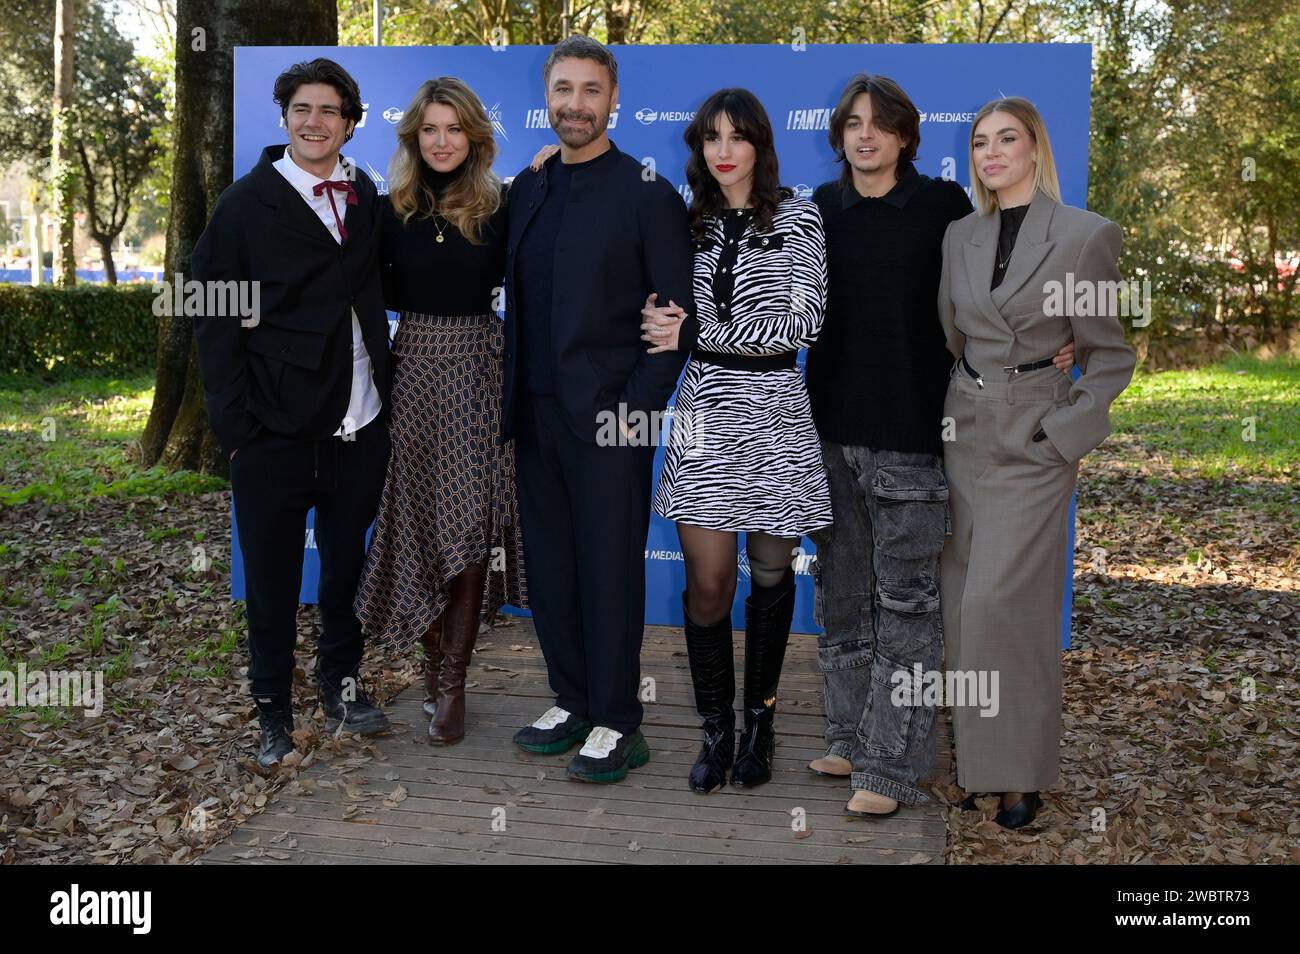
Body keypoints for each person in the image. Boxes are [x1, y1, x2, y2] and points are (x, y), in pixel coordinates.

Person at [937, 96, 1136, 828]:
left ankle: (1021, 775)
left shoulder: (1085, 237)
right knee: (963, 604)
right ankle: (980, 767)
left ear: (1033, 148)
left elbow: (1110, 356)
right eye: (981, 141)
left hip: (1034, 439)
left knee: (1003, 605)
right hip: (965, 433)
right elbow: (951, 332)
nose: (992, 154)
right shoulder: (960, 234)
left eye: (1007, 140)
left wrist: (1062, 433)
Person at [502, 36, 694, 783]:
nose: (574, 104)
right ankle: (574, 698)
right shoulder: (530, 187)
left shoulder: (647, 192)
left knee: (609, 568)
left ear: (613, 99)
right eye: (562, 89)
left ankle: (619, 719)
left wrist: (637, 408)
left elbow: (673, 317)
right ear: (546, 98)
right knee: (551, 568)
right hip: (534, 413)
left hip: (614, 417)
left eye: (589, 90)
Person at [193, 58, 394, 769]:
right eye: (303, 108)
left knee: (345, 572)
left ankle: (342, 687)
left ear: (349, 121)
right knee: (273, 584)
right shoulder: (244, 206)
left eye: (330, 111)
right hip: (273, 435)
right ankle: (272, 713)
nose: (316, 122)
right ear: (284, 116)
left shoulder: (365, 195)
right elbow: (214, 321)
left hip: (360, 426)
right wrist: (238, 432)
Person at [642, 88, 830, 792]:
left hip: (776, 413)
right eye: (710, 138)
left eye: (737, 137)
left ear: (759, 144)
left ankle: (763, 723)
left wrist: (700, 334)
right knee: (709, 585)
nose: (723, 151)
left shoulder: (800, 215)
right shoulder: (683, 221)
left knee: (773, 575)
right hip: (704, 417)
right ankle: (715, 729)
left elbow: (800, 325)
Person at [353, 77, 527, 747]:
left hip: (480, 373)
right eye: (431, 129)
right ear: (414, 138)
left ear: (474, 136)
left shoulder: (502, 206)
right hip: (413, 376)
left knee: (469, 522)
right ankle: (432, 675)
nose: (443, 140)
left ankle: (453, 683)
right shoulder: (386, 209)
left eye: (455, 129)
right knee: (421, 524)